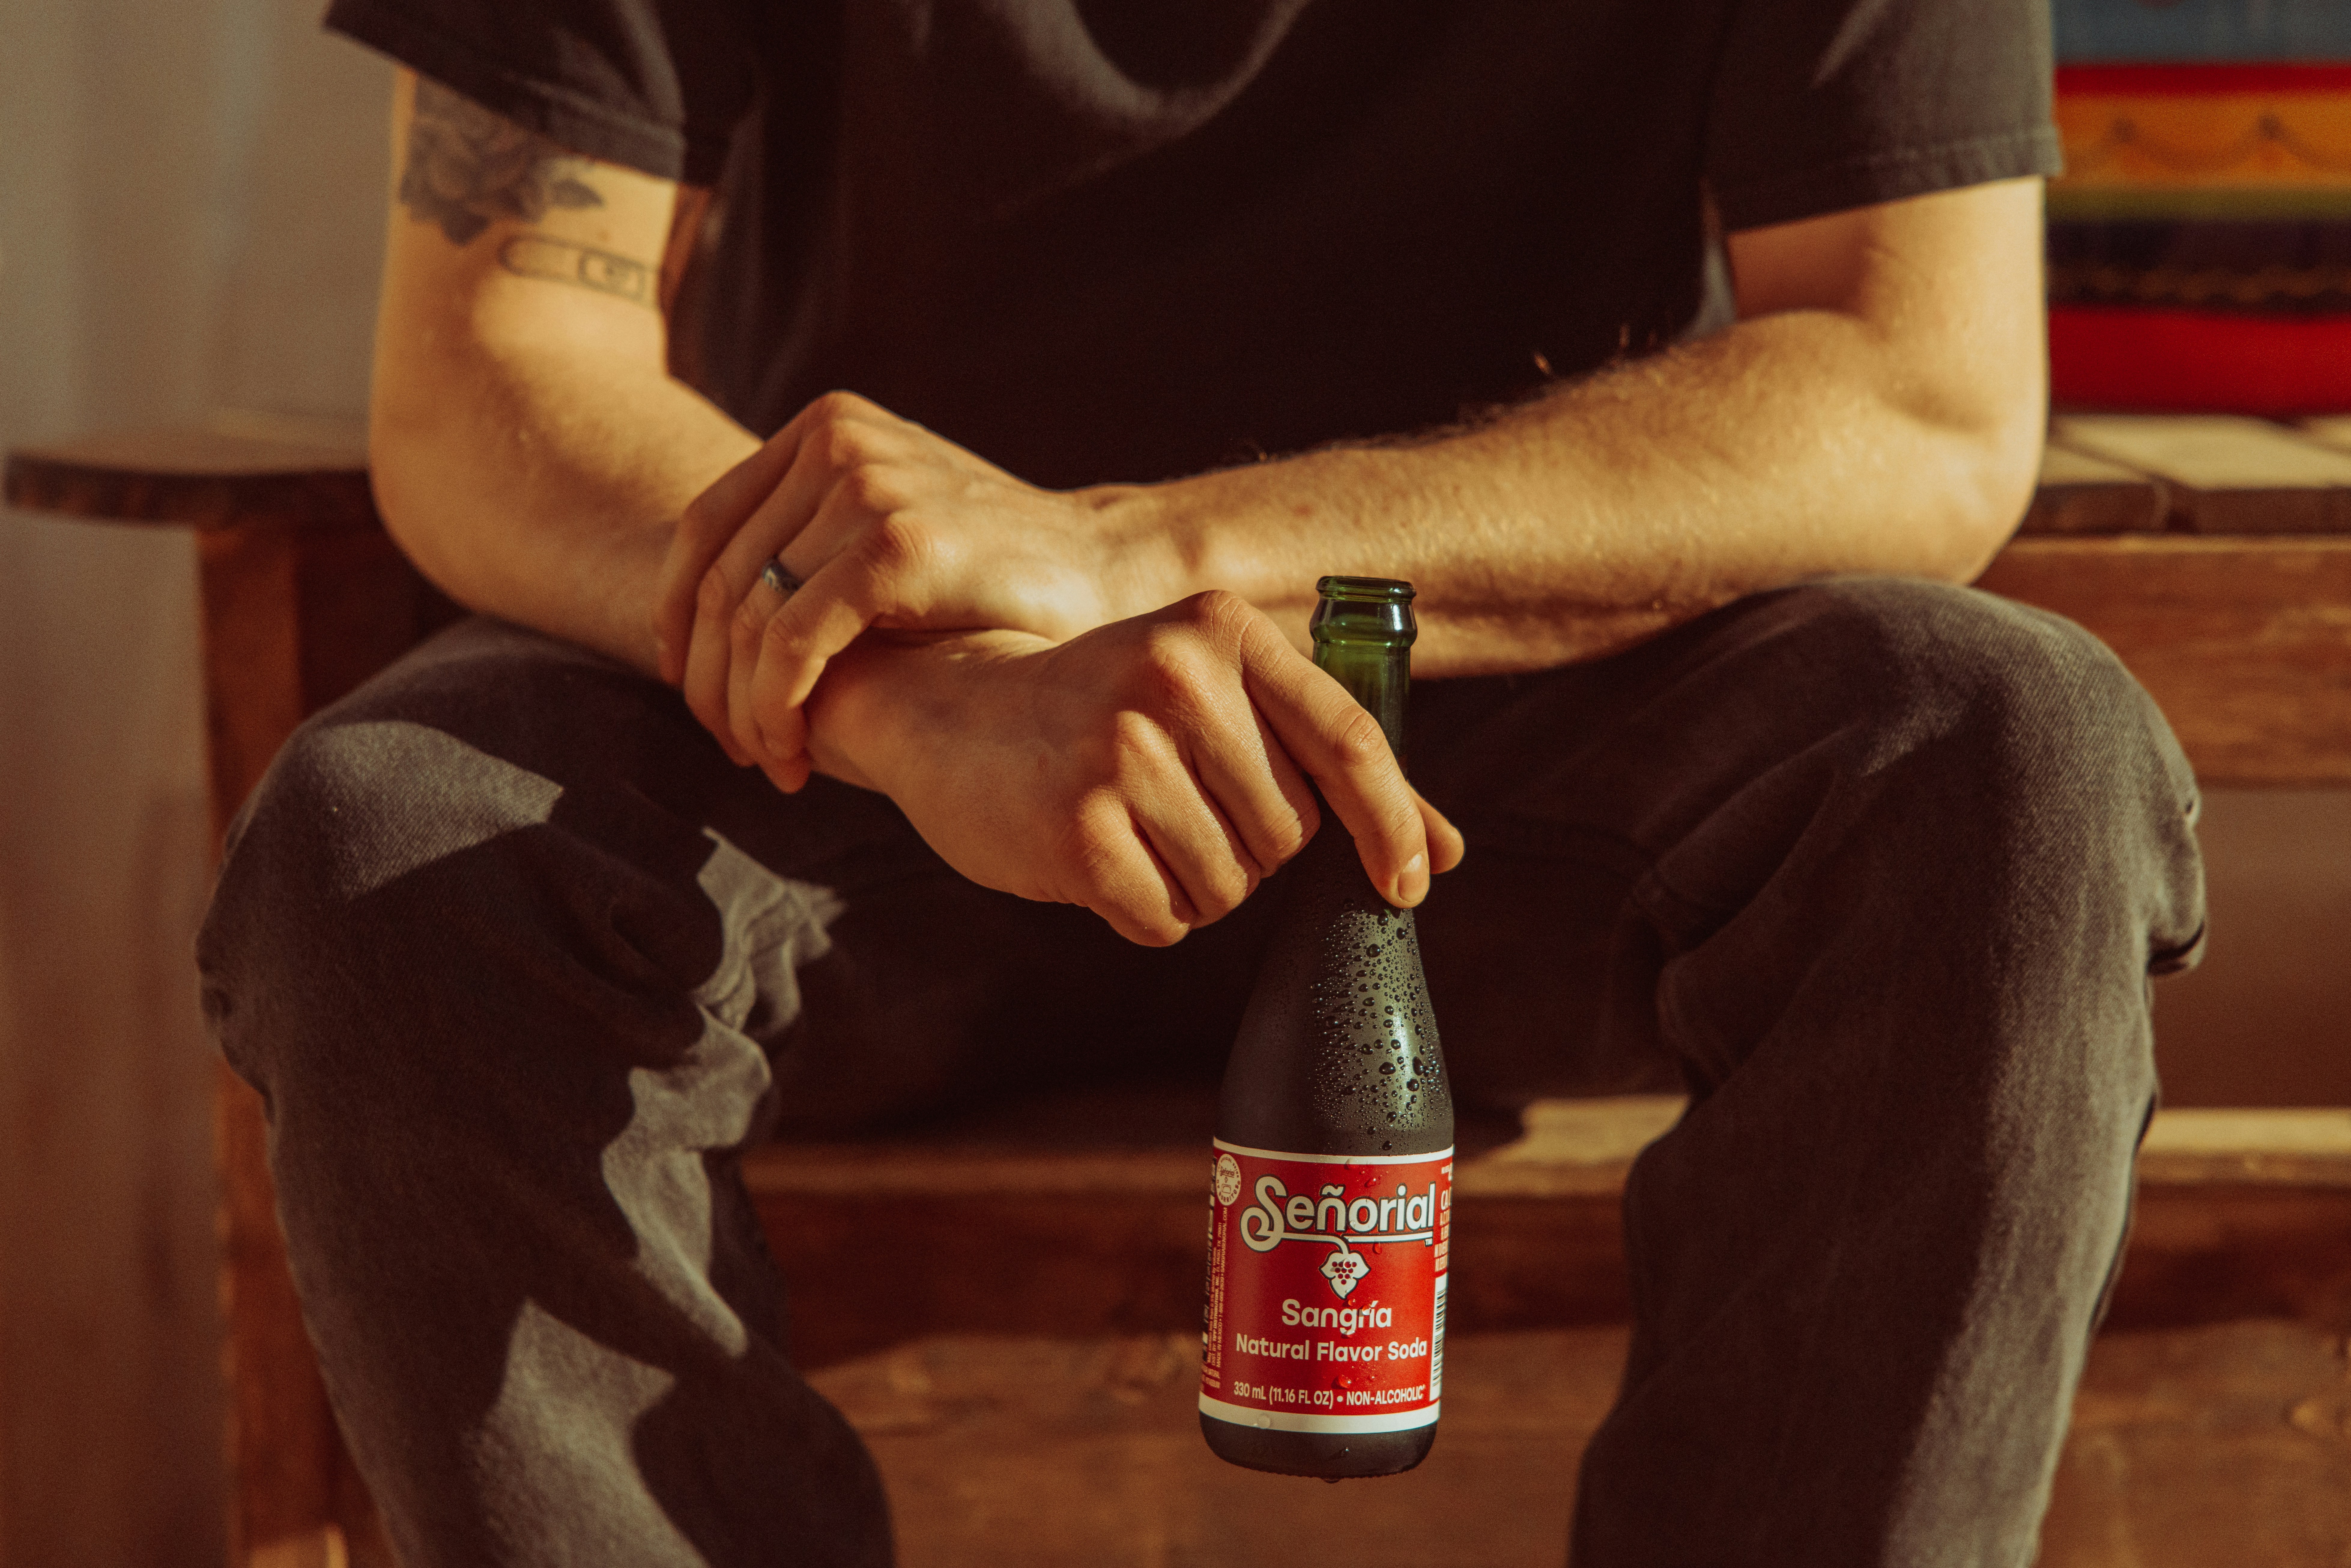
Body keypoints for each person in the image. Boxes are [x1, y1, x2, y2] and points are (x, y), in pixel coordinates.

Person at [196, 1, 2208, 1563]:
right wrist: (928, 695)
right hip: (860, 734)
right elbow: (486, 367)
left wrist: (1139, 549)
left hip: (1491, 735)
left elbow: (1916, 389)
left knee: (2009, 761)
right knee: (393, 853)